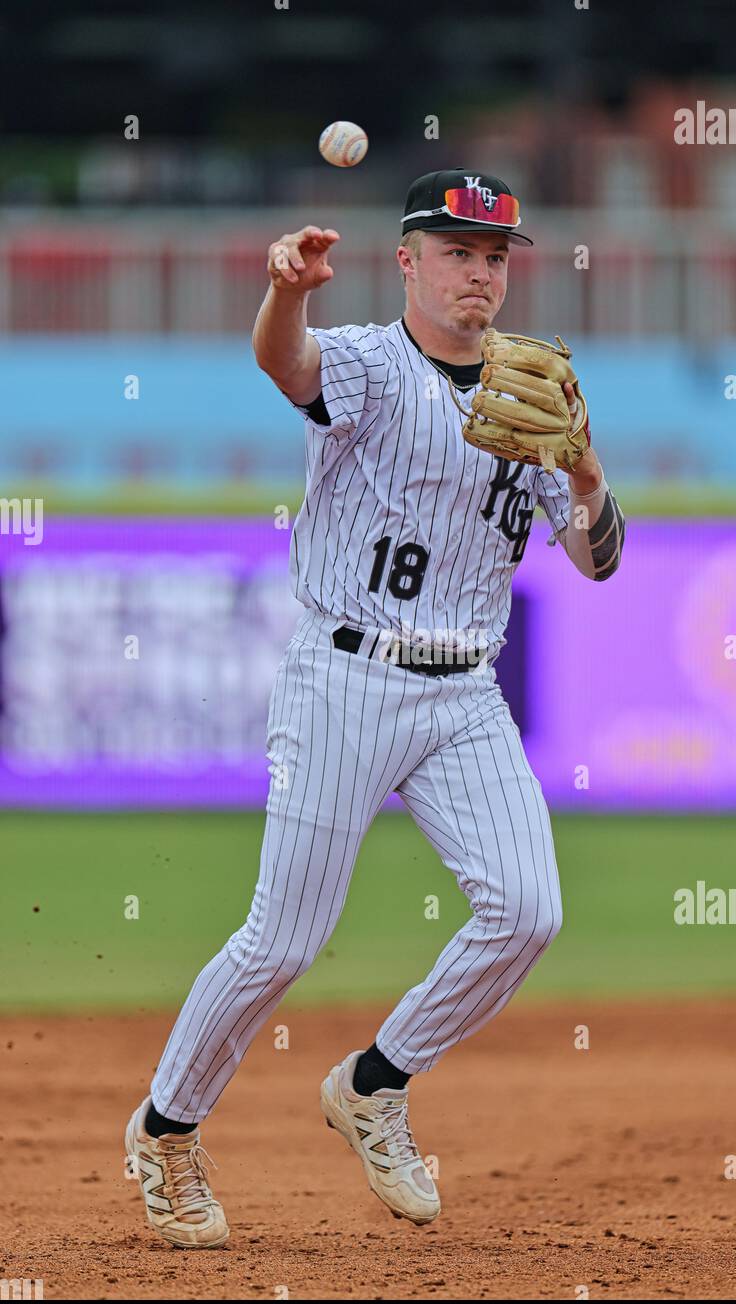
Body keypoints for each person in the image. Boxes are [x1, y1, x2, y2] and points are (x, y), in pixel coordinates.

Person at [124, 168, 625, 1247]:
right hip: (346, 675)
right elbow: (282, 362)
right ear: (407, 261)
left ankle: (374, 1081)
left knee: (528, 908)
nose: (479, 273)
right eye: (455, 252)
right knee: (281, 940)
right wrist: (287, 290)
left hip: (465, 692)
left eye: (493, 256)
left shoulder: (533, 389)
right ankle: (167, 1130)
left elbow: (594, 564)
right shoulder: (363, 358)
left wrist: (586, 480)